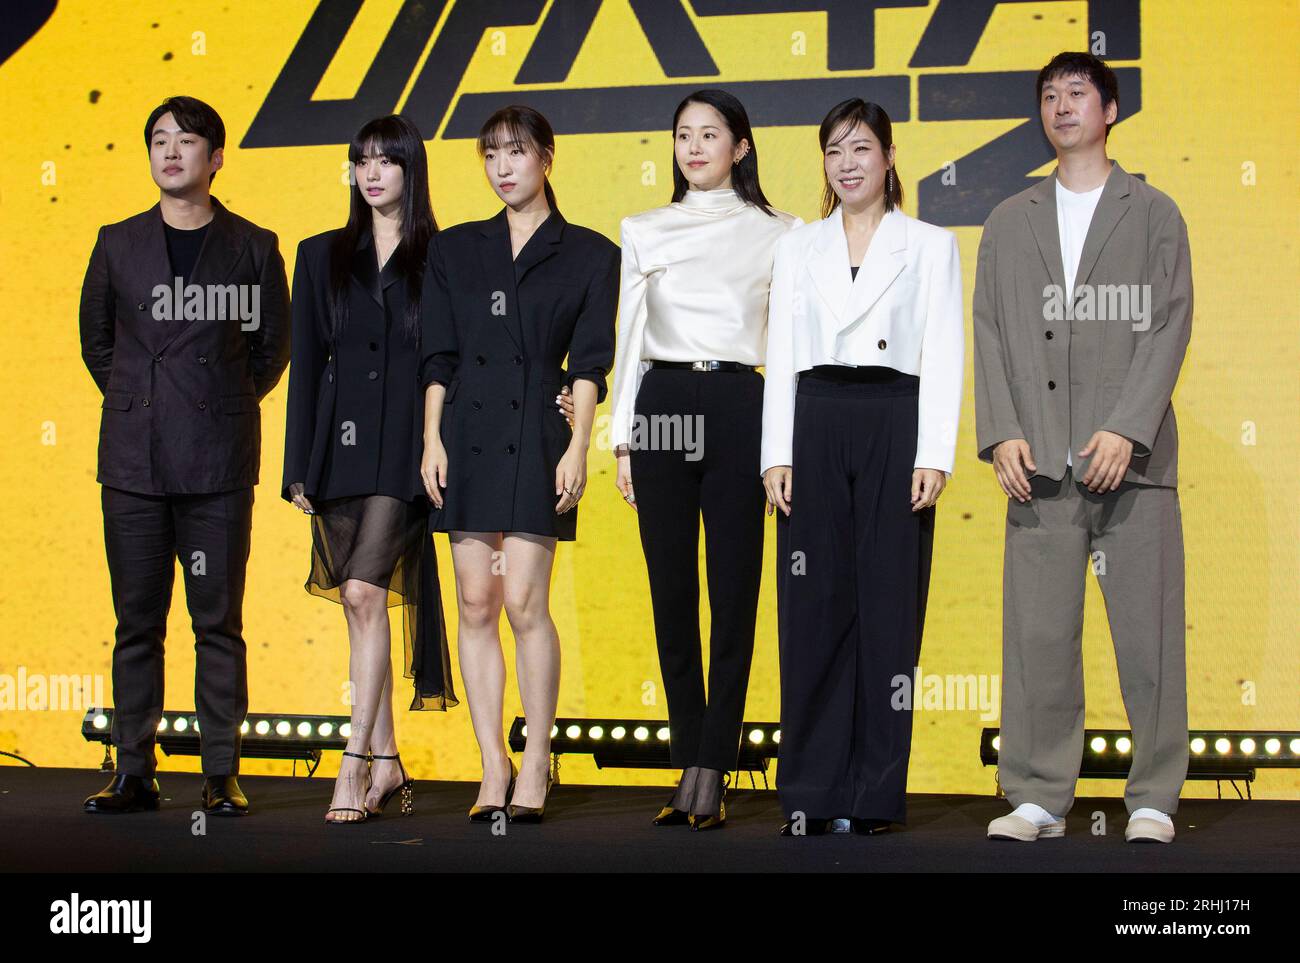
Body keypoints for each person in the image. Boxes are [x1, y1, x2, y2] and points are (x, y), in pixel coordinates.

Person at [974, 52, 1192, 844]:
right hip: (1040, 466)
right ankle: (1036, 793)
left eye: (1077, 93)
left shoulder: (1154, 212)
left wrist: (1128, 425)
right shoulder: (1009, 219)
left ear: (1110, 110)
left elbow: (1169, 323)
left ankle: (1155, 796)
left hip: (1133, 467)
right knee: (1037, 638)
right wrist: (1000, 430)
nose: (1061, 106)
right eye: (1049, 96)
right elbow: (991, 331)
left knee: (1148, 637)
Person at [79, 95, 290, 816]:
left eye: (187, 140)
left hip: (217, 463)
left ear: (216, 157)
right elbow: (98, 344)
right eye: (159, 140)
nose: (171, 152)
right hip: (134, 462)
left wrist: (214, 401)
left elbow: (269, 353)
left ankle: (221, 770)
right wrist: (144, 399)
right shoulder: (116, 242)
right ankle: (134, 769)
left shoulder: (254, 246)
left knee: (216, 621)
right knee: (137, 620)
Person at [761, 98, 964, 836]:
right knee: (811, 611)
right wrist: (775, 452)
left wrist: (934, 452)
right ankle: (811, 788)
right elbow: (781, 347)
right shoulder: (797, 245)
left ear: (889, 156)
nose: (847, 164)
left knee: (888, 611)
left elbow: (944, 348)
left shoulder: (930, 245)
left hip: (894, 419)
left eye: (861, 149)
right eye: (834, 151)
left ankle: (876, 792)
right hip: (814, 418)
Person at [420, 105, 618, 824]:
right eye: (491, 155)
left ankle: (537, 756)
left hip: (539, 434)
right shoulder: (455, 250)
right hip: (466, 431)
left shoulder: (591, 252)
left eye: (516, 152)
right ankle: (491, 763)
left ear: (547, 157)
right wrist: (430, 439)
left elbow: (592, 358)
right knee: (475, 600)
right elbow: (437, 354)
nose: (503, 167)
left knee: (524, 601)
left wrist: (579, 444)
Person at [610, 89, 801, 830]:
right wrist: (623, 437)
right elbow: (628, 338)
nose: (694, 147)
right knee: (670, 588)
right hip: (661, 402)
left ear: (741, 146)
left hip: (737, 405)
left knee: (733, 589)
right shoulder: (643, 228)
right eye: (683, 135)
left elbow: (785, 350)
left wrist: (779, 445)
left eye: (710, 134)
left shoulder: (783, 233)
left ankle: (717, 760)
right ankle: (686, 753)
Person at [282, 114, 458, 824]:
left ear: (412, 170)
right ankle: (386, 760)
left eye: (388, 160)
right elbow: (304, 366)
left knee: (361, 591)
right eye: (361, 161)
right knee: (363, 608)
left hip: (410, 447)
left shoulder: (445, 255)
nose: (373, 172)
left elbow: (451, 359)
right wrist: (298, 464)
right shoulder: (319, 253)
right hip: (340, 446)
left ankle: (353, 759)